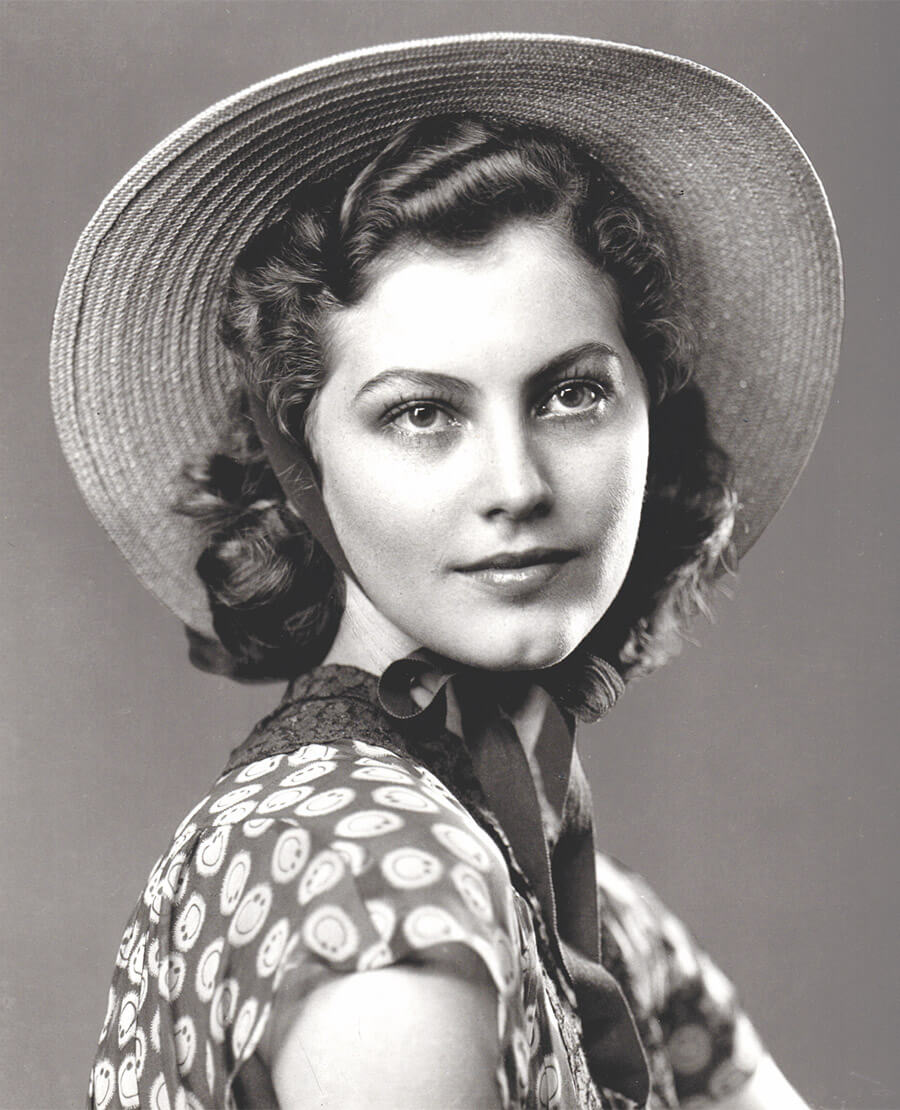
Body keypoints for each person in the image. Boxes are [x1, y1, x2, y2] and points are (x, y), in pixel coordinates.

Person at [51, 34, 841, 1110]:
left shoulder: (598, 921)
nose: (516, 485)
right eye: (422, 413)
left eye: (571, 394)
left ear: (652, 409)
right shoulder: (372, 888)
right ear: (299, 461)